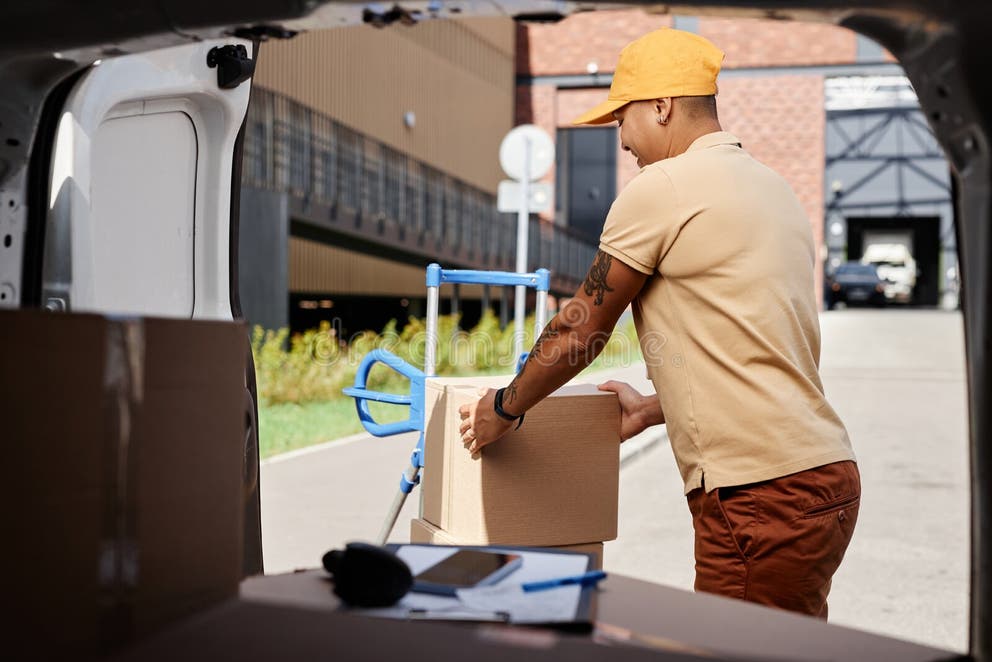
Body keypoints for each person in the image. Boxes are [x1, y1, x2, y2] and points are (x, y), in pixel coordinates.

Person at [458, 27, 859, 619]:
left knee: (729, 647)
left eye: (623, 117)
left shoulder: (663, 187)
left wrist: (502, 408)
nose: (622, 139)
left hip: (759, 496)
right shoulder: (772, 190)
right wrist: (652, 409)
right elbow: (759, 352)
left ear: (663, 106)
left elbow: (580, 329)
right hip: (824, 479)